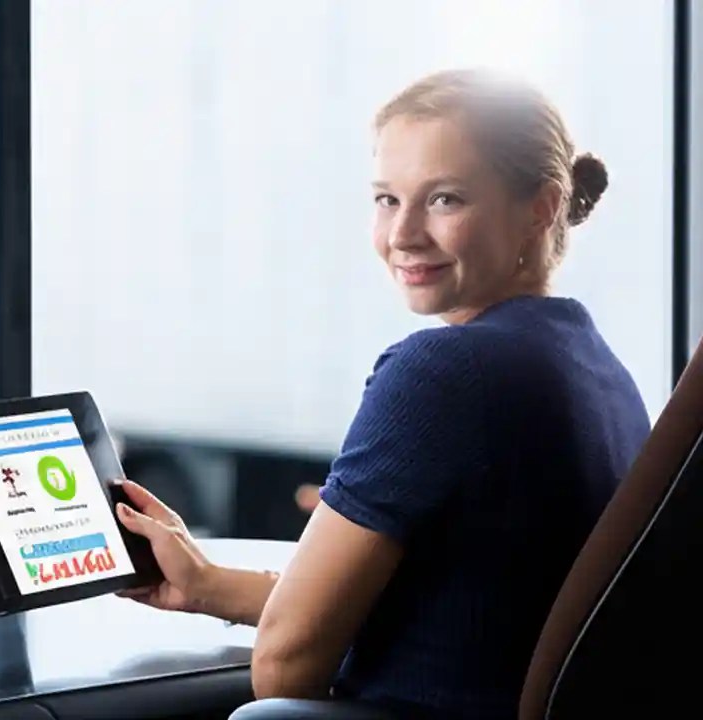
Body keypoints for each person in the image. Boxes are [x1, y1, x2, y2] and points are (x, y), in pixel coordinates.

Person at [114, 68, 651, 719]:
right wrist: (205, 585)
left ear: (540, 208)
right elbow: (446, 615)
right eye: (387, 199)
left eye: (445, 199)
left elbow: (285, 665)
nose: (402, 234)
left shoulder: (443, 369)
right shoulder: (596, 367)